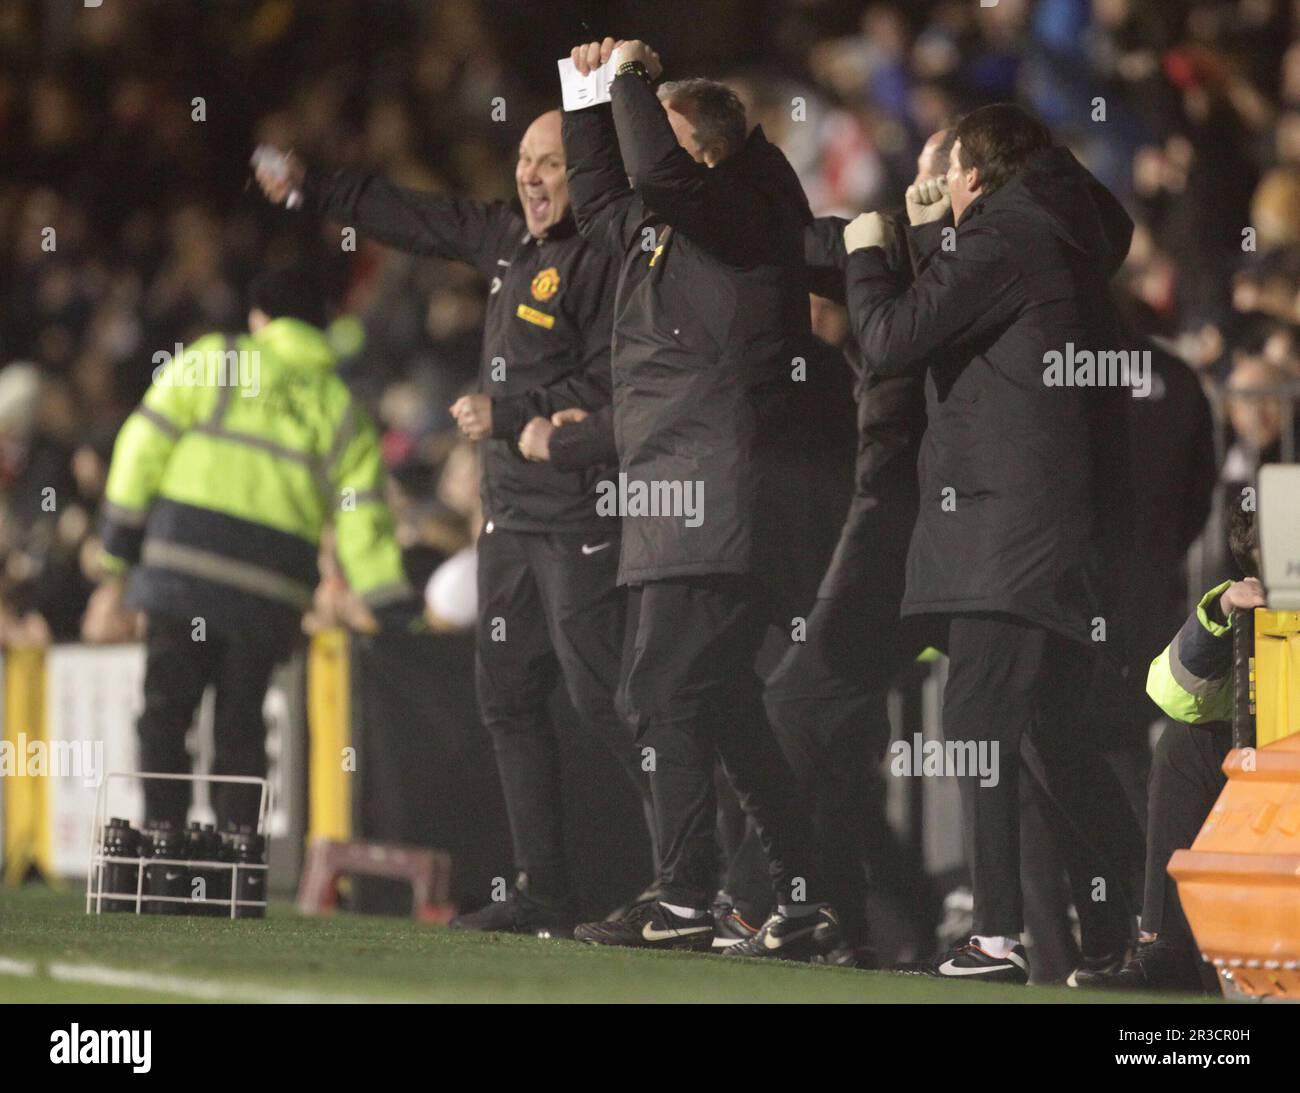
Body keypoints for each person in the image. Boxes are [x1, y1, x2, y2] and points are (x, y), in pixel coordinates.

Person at [254, 112, 658, 934]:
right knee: (507, 697)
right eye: (522, 161)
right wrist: (315, 189)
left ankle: (702, 880)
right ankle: (544, 891)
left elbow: (614, 385)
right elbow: (421, 217)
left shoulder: (610, 259)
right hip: (508, 515)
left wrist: (509, 412)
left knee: (610, 699)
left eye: (551, 163)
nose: (532, 177)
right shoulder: (509, 239)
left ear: (589, 174)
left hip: (581, 508)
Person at [842, 102, 1145, 982]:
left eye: (946, 170)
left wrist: (872, 248)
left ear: (972, 174)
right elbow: (964, 318)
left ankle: (997, 933)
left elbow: (894, 335)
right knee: (1054, 737)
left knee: (978, 722)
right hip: (1042, 532)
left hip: (1010, 534)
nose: (936, 188)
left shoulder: (1008, 233)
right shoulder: (1055, 230)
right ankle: (1140, 921)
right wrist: (938, 240)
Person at [561, 38, 836, 959]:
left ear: (707, 151)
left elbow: (659, 181)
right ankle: (800, 895)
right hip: (672, 484)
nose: (646, 162)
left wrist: (632, 79)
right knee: (718, 702)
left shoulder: (747, 201)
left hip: (722, 486)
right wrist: (587, 90)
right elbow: (602, 199)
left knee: (665, 690)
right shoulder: (665, 220)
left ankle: (684, 896)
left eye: (663, 141)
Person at [91, 266, 420, 831]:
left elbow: (140, 446)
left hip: (181, 576)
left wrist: (116, 550)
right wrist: (391, 607)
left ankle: (165, 850)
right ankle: (233, 866)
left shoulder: (215, 359)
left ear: (259, 319)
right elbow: (362, 517)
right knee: (242, 726)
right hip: (269, 592)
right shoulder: (340, 404)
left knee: (166, 715)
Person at [1077, 503, 1265, 993]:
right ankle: (1168, 951)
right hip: (1274, 769)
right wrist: (1222, 615)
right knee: (1182, 746)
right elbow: (1172, 693)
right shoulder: (1247, 609)